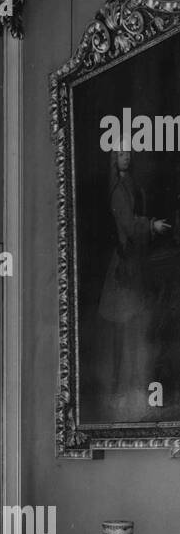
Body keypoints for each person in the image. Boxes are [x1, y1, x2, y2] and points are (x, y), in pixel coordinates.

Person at [97, 149, 170, 419]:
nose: (125, 158)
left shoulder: (131, 183)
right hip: (124, 262)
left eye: (128, 154)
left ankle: (136, 390)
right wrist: (152, 226)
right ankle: (122, 395)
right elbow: (127, 225)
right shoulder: (118, 188)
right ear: (114, 160)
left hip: (134, 259)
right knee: (127, 327)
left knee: (136, 327)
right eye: (120, 155)